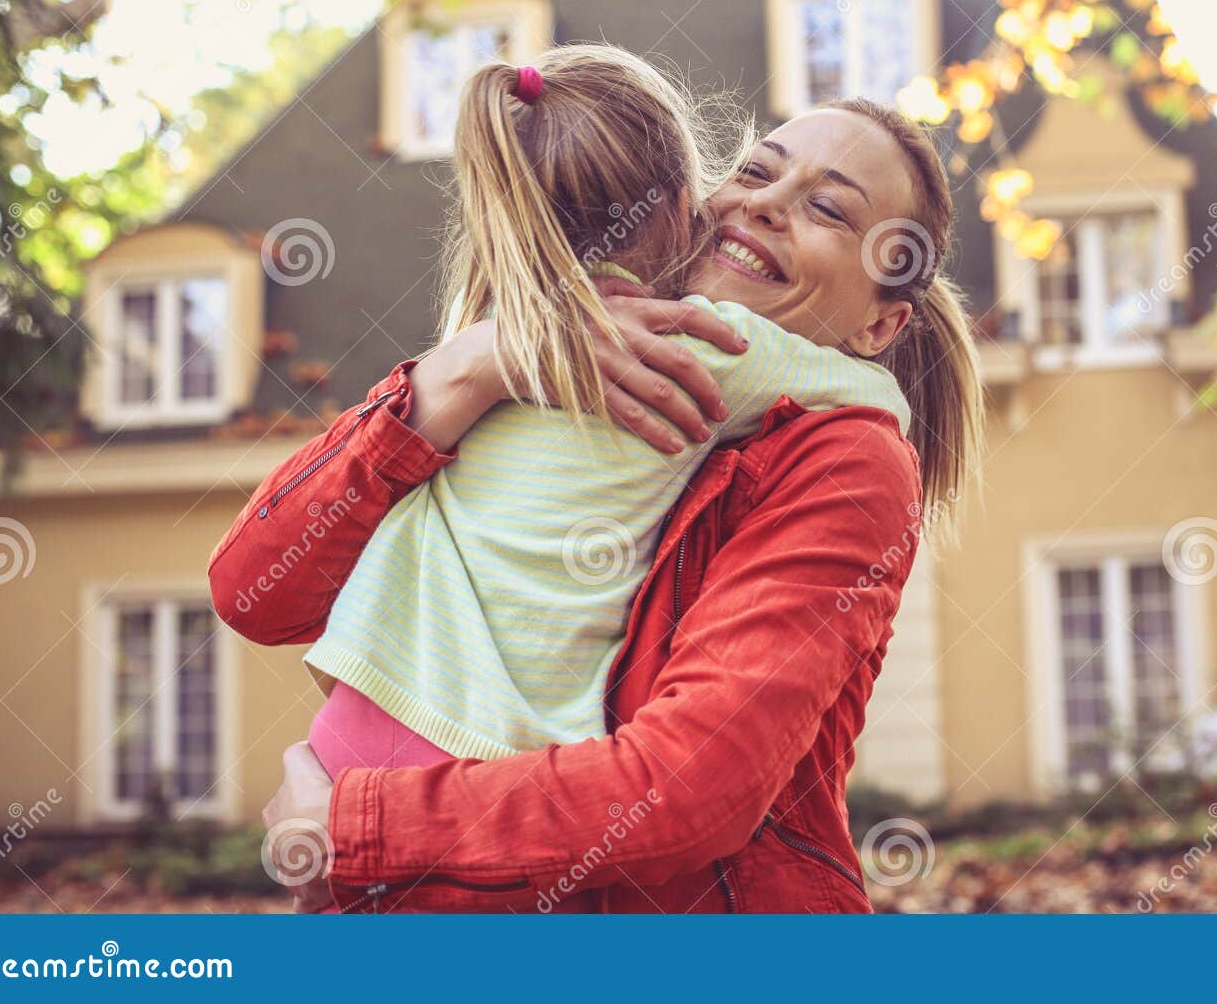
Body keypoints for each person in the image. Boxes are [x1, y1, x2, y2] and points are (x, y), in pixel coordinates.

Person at [210, 94, 984, 912]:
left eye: (827, 206)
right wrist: (472, 366)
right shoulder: (545, 356)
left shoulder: (846, 455)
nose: (762, 201)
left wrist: (353, 825)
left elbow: (692, 784)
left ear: (879, 326)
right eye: (754, 171)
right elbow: (254, 593)